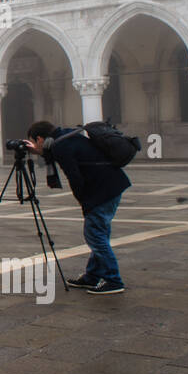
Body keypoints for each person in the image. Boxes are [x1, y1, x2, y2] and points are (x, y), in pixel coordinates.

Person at [24, 119, 130, 294]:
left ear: (41, 138)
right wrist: (41, 153)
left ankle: (114, 280)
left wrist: (85, 202)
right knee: (98, 235)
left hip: (102, 191)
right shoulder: (66, 136)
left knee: (96, 236)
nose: (36, 145)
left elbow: (75, 177)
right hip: (112, 186)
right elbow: (60, 153)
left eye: (35, 142)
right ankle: (92, 277)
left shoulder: (60, 146)